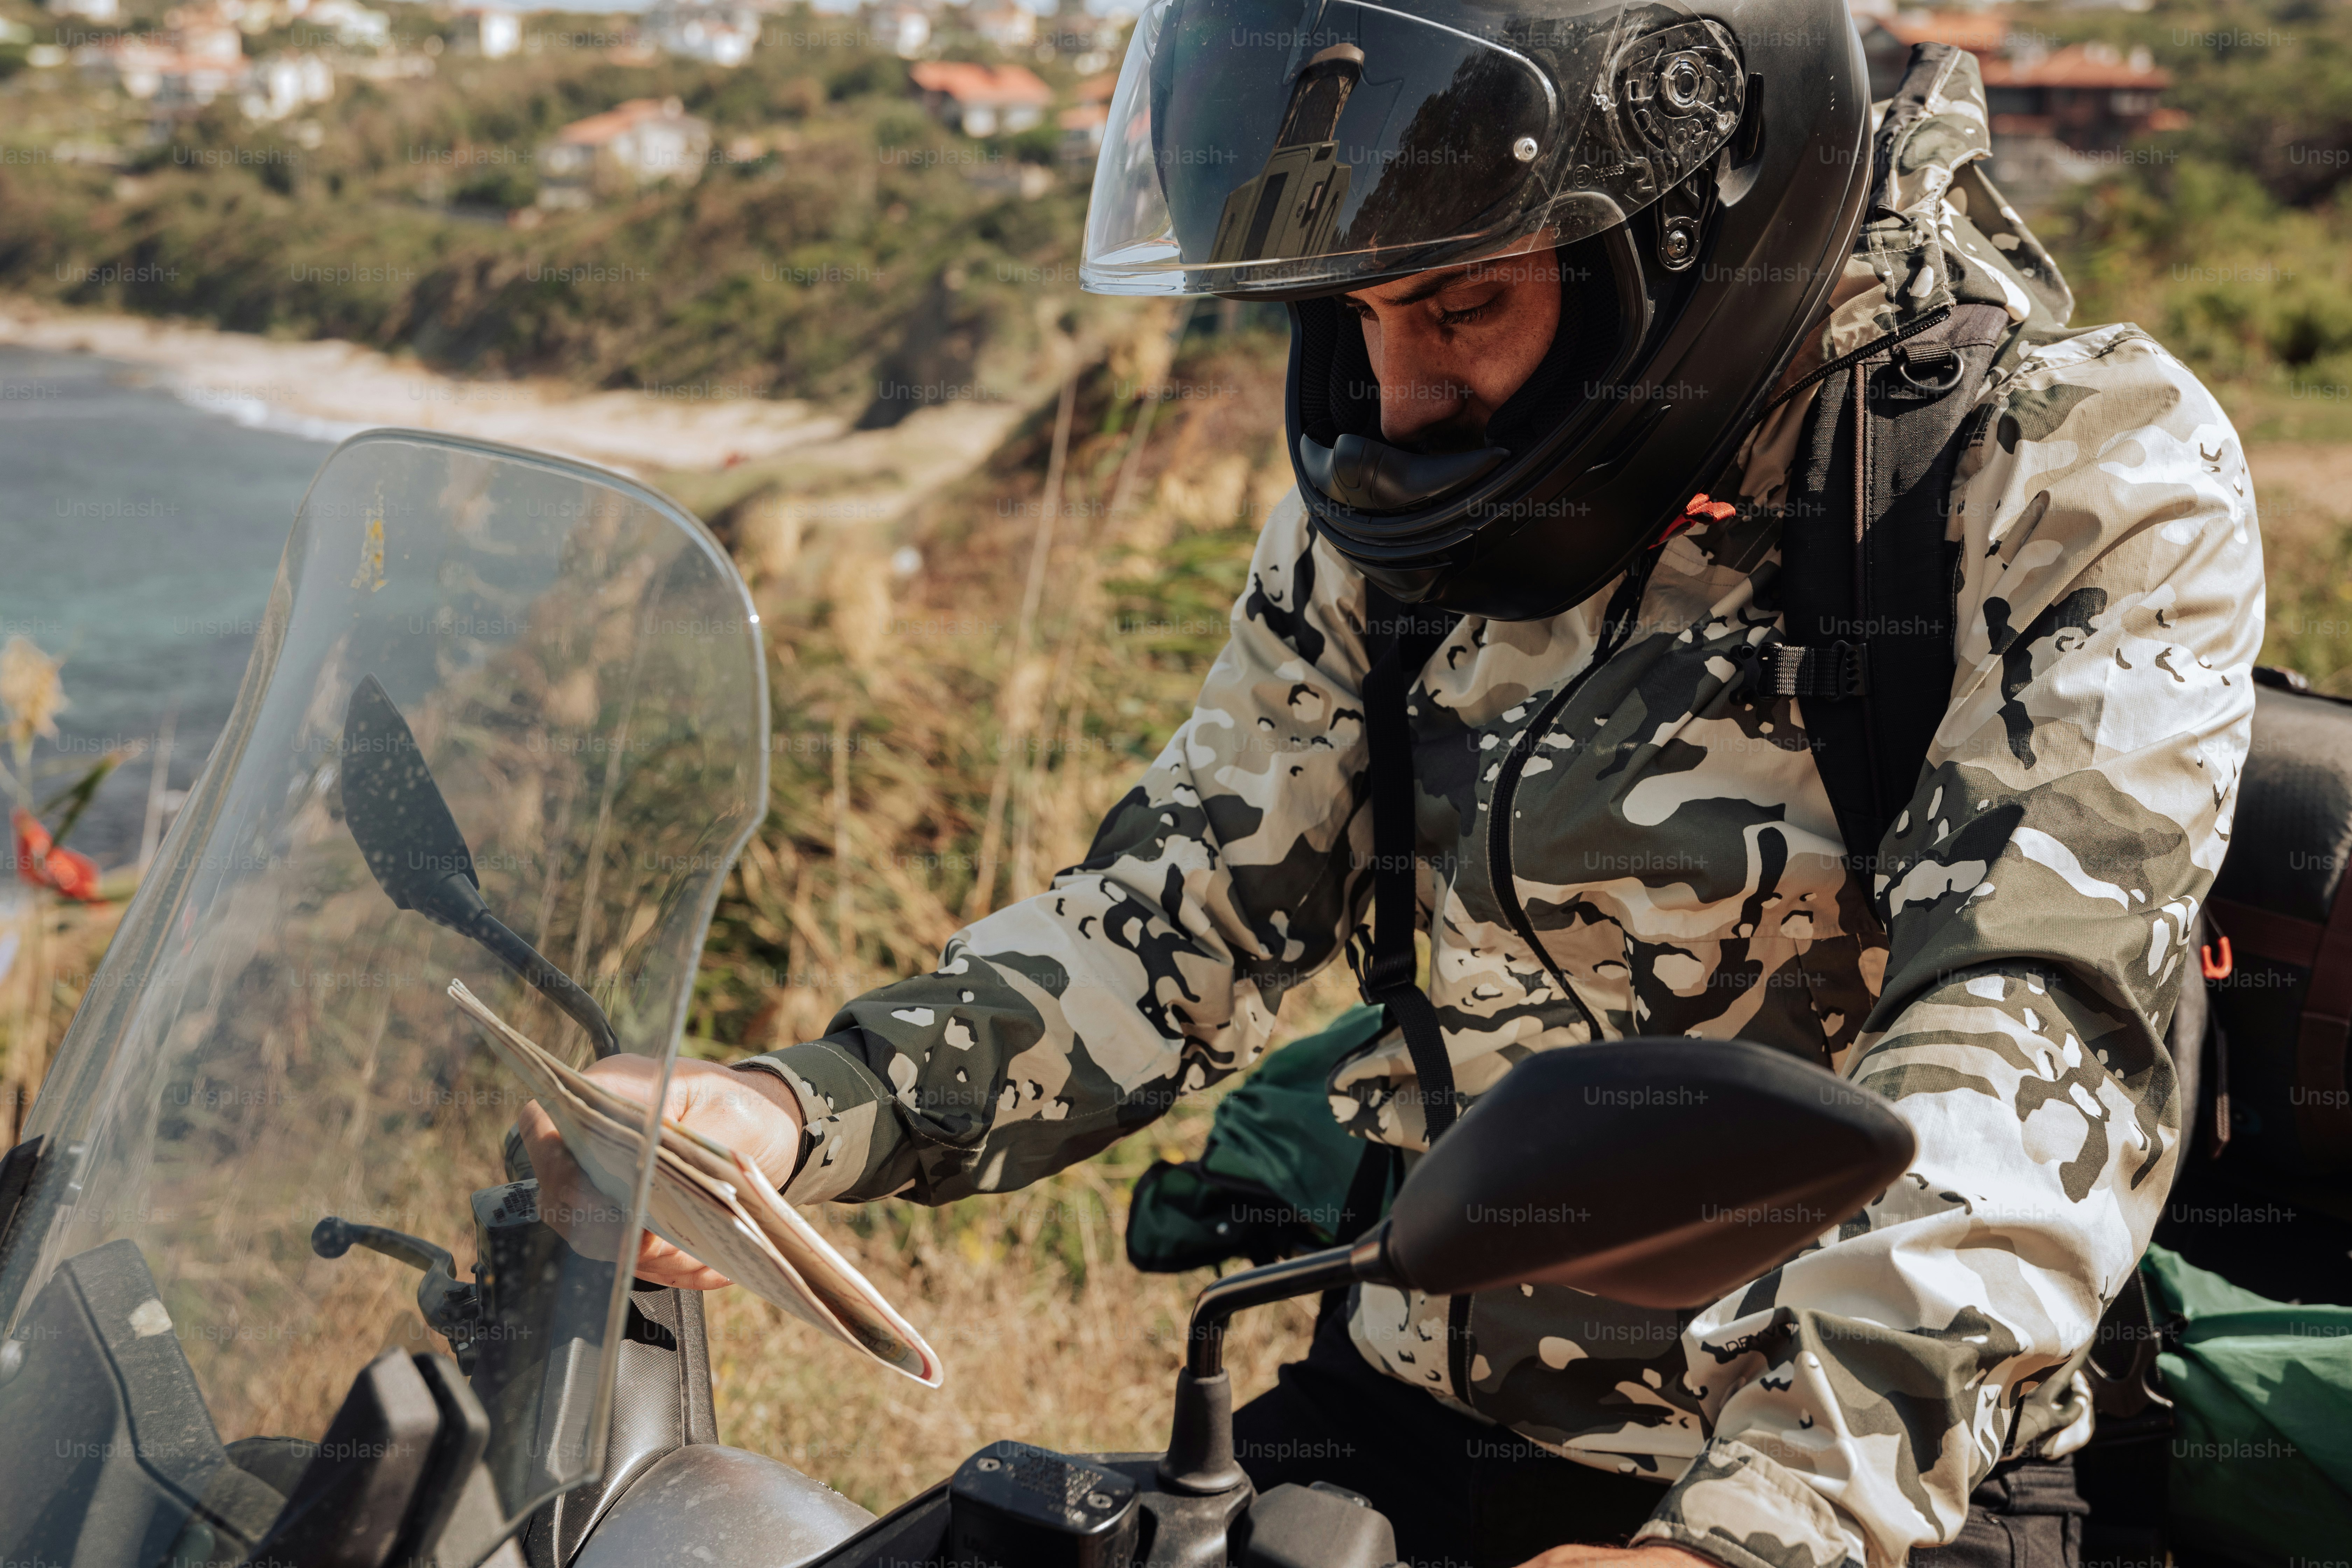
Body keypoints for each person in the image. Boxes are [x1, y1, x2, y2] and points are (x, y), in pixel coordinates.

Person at [523, 3, 2264, 1563]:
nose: (1404, 393)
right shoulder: (1412, 493)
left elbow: (2029, 1035)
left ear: (1689, 226)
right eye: (1355, 314)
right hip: (1422, 1418)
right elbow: (1183, 909)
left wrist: (1763, 1529)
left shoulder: (2064, 467)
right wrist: (791, 1111)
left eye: (1463, 302)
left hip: (1878, 1484)